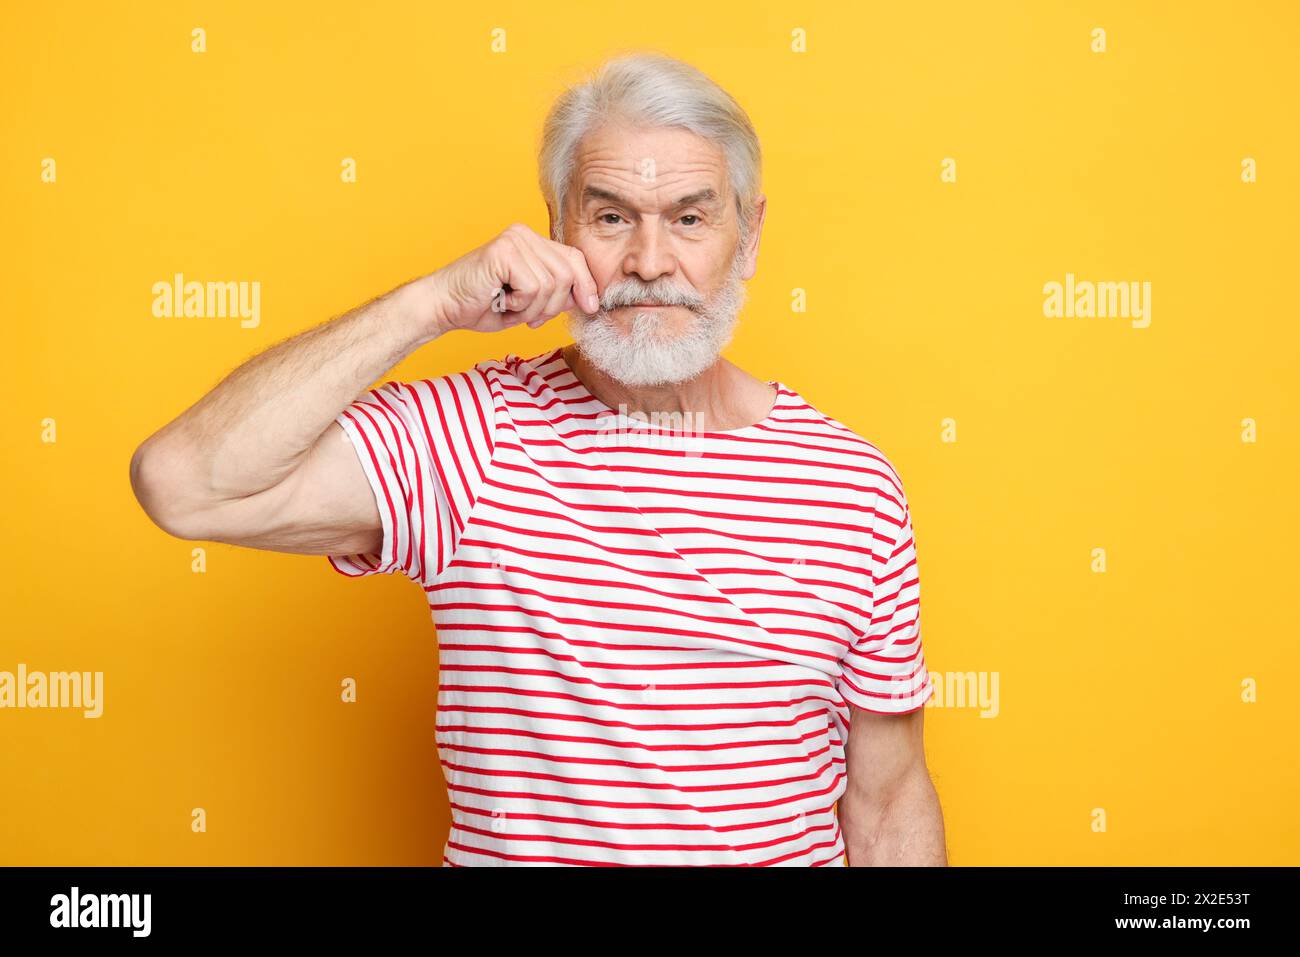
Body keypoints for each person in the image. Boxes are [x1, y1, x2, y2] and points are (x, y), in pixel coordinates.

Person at [130, 51, 946, 867]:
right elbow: (184, 484)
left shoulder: (852, 486)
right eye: (613, 218)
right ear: (557, 228)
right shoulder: (471, 440)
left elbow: (888, 798)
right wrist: (433, 302)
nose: (650, 262)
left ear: (751, 235)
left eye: (691, 219)